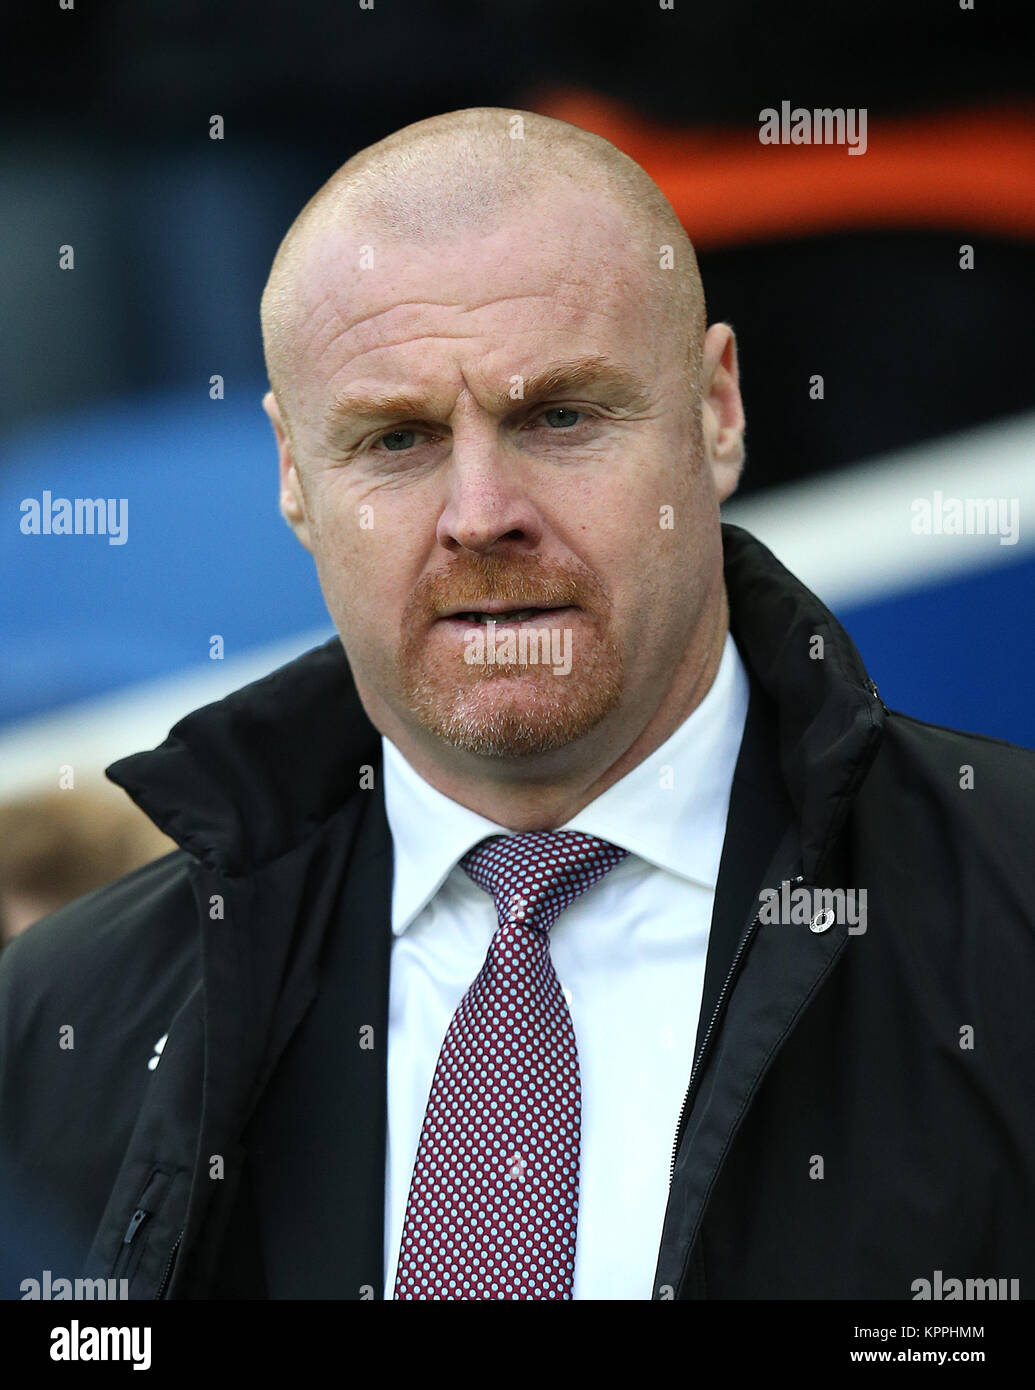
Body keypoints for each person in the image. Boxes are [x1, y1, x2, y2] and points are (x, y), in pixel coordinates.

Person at [1, 107, 1032, 1302]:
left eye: (560, 416)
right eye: (398, 438)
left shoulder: (1007, 913)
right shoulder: (56, 1024)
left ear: (718, 411)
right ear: (293, 475)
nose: (481, 510)